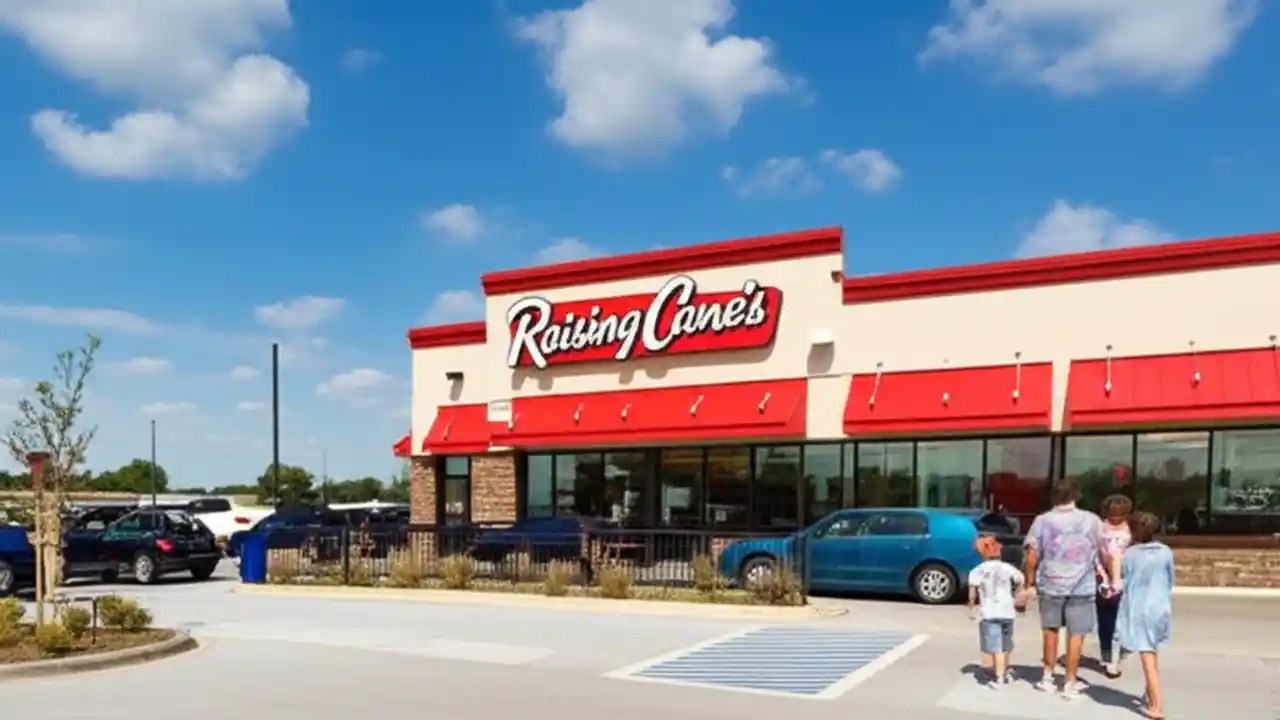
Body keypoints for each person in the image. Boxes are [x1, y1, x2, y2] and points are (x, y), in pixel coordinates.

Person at [1023, 478, 1120, 699]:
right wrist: (1112, 577)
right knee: (1077, 634)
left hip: (1050, 582)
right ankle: (1070, 681)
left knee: (1050, 629)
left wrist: (1029, 581)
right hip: (1081, 585)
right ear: (1075, 496)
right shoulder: (1092, 520)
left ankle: (1047, 676)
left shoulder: (1042, 521)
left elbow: (1032, 554)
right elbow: (1107, 551)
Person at [1116, 512, 1174, 719]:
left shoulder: (1130, 554)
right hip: (1160, 606)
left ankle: (1157, 705)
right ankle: (1150, 693)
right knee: (1152, 651)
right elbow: (1170, 579)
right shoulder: (1165, 551)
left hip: (1140, 607)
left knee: (1146, 655)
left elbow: (1123, 578)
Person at [967, 536, 1026, 689]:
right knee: (1005, 644)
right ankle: (1003, 670)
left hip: (990, 613)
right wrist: (1017, 593)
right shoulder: (1007, 567)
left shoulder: (977, 571)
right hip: (1007, 612)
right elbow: (1021, 579)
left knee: (995, 647)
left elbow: (972, 593)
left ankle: (999, 677)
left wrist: (971, 607)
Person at [1096, 494, 1133, 678]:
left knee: (1110, 620)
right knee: (1112, 620)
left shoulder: (1102, 529)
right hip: (1114, 581)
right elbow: (1112, 556)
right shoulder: (1121, 532)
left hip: (1110, 580)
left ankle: (1109, 654)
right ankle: (1111, 658)